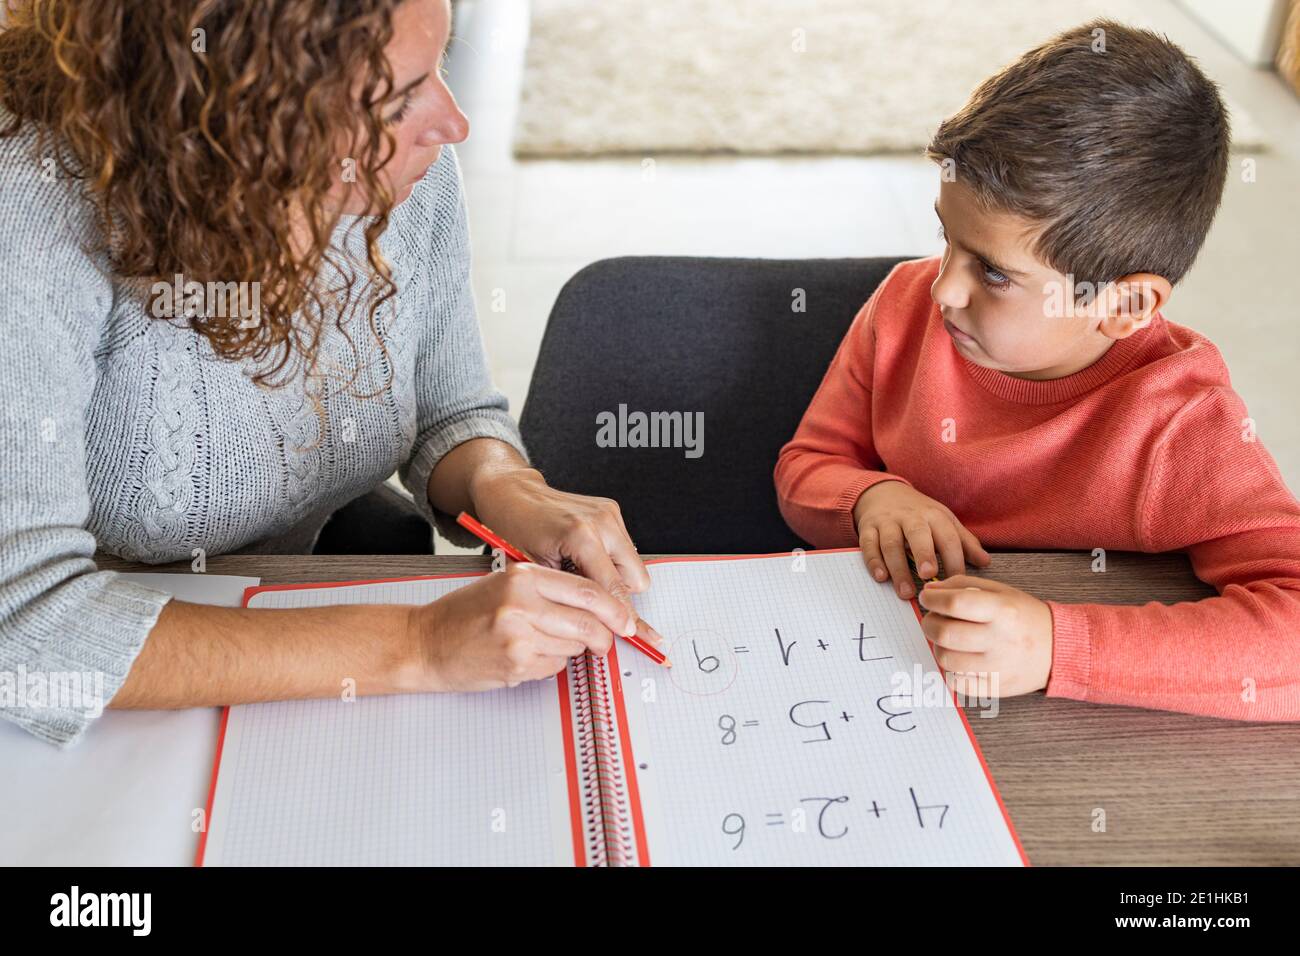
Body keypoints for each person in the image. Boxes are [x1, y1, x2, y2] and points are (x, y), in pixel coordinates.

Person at [0, 0, 662, 747]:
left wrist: (502, 484)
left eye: (437, 68)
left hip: (277, 618)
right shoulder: (28, 208)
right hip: (90, 714)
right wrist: (419, 646)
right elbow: (21, 624)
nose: (452, 125)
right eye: (395, 99)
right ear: (243, 116)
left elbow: (449, 409)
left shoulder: (405, 181)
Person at [775, 19, 1300, 720]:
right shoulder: (901, 309)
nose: (942, 290)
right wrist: (871, 497)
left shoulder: (1181, 423)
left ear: (1125, 305)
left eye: (992, 272)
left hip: (1068, 742)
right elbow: (808, 463)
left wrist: (1060, 645)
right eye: (945, 237)